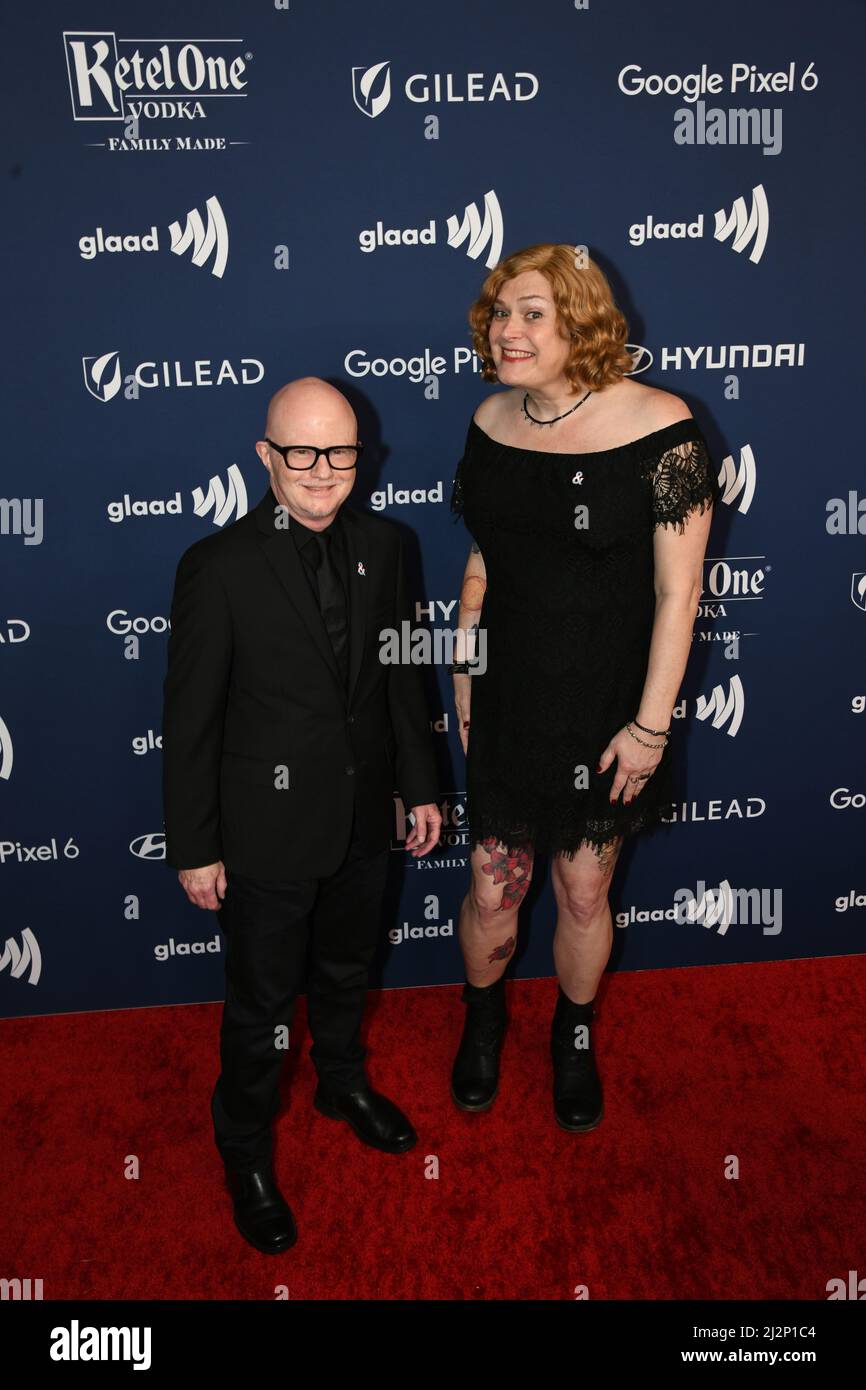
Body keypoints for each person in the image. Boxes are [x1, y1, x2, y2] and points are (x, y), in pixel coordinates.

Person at [162, 377, 442, 1254]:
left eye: (342, 452)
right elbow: (191, 720)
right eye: (302, 453)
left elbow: (402, 680)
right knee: (259, 1007)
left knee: (349, 969)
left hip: (364, 819)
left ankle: (341, 1082)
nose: (323, 472)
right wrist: (195, 846)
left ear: (364, 456)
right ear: (265, 455)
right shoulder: (218, 566)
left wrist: (423, 785)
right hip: (266, 832)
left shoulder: (390, 545)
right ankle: (243, 1148)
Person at [447, 244, 722, 1132]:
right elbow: (484, 557)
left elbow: (679, 592)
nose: (510, 330)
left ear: (581, 320)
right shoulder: (491, 421)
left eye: (533, 312)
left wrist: (649, 730)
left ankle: (572, 1036)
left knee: (582, 890)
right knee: (495, 887)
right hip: (509, 697)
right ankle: (483, 1021)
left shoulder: (662, 426)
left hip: (606, 704)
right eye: (500, 313)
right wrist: (461, 673)